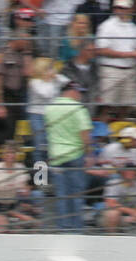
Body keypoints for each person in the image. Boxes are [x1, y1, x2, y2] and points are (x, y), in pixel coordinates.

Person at [45, 79, 91, 231]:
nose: (80, 96)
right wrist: (89, 155)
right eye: (79, 92)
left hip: (56, 156)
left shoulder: (50, 108)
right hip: (74, 155)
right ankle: (76, 229)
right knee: (76, 194)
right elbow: (85, 134)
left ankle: (63, 228)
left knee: (62, 195)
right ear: (72, 91)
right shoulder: (78, 108)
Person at [95, 0, 136, 109]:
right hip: (111, 70)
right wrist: (130, 54)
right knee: (106, 107)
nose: (121, 10)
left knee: (126, 107)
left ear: (131, 10)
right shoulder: (106, 26)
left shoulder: (134, 28)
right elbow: (101, 50)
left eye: (124, 8)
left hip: (130, 71)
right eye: (118, 8)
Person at [0, 142, 35, 229]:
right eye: (8, 152)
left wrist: (25, 192)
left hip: (12, 206)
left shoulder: (20, 168)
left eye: (13, 153)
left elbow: (25, 188)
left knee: (32, 222)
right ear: (3, 155)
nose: (10, 155)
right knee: (2, 225)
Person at [99, 158, 136, 230]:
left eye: (132, 169)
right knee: (113, 214)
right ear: (122, 172)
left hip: (128, 218)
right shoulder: (113, 183)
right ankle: (111, 238)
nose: (129, 171)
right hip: (107, 217)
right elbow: (110, 204)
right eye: (127, 169)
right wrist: (131, 211)